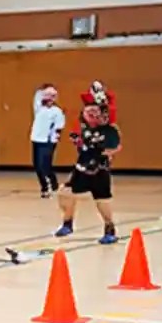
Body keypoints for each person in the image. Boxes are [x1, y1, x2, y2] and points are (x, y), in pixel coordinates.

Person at [54, 91, 121, 245]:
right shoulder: (85, 130)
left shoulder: (109, 130)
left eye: (94, 112)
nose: (91, 115)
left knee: (102, 200)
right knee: (65, 192)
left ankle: (110, 229)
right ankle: (67, 224)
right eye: (88, 112)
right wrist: (78, 142)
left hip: (99, 171)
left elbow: (115, 147)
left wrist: (101, 156)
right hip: (82, 169)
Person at [30, 84, 64, 197]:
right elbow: (37, 96)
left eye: (52, 97)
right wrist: (46, 90)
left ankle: (49, 186)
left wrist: (54, 138)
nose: (50, 99)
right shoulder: (39, 108)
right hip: (36, 139)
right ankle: (48, 185)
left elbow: (59, 127)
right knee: (37, 165)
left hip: (49, 141)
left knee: (44, 165)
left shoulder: (57, 111)